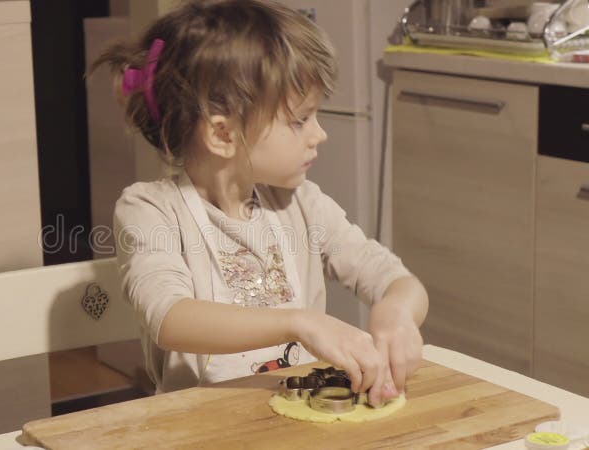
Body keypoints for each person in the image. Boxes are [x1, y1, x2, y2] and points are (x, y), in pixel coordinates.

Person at [90, 0, 428, 407]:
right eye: (300, 120)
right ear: (224, 134)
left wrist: (397, 312)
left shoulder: (302, 204)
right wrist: (299, 322)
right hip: (197, 428)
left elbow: (395, 277)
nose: (319, 134)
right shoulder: (150, 210)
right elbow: (169, 316)